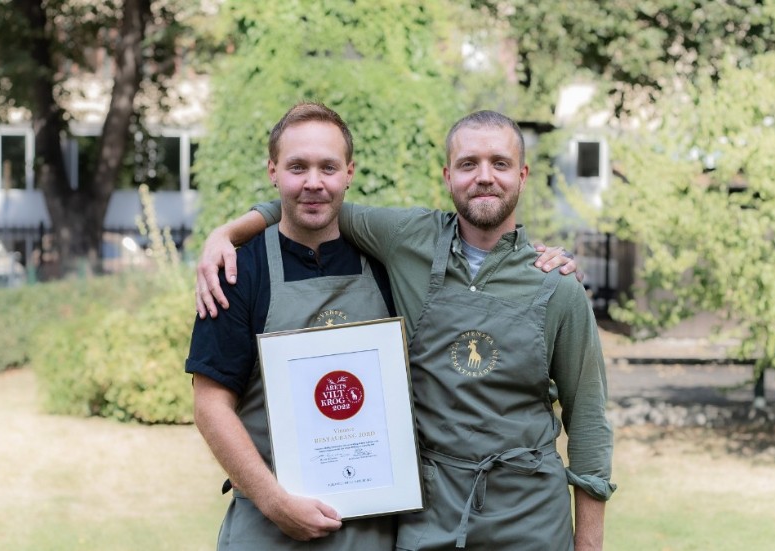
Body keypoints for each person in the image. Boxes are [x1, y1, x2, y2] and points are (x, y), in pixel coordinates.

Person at [197, 110, 612, 550]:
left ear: (523, 175)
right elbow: (308, 202)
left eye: (501, 164)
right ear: (448, 175)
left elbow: (588, 424)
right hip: (429, 517)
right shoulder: (406, 241)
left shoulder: (555, 285)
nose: (485, 177)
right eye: (469, 164)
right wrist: (225, 233)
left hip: (530, 518)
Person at [185, 102, 400, 549]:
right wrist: (275, 502)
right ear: (273, 172)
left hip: (370, 528)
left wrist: (542, 262)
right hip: (267, 526)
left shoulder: (389, 265)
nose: (314, 183)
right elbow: (210, 406)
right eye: (297, 167)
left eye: (328, 167)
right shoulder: (234, 272)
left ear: (349, 172)